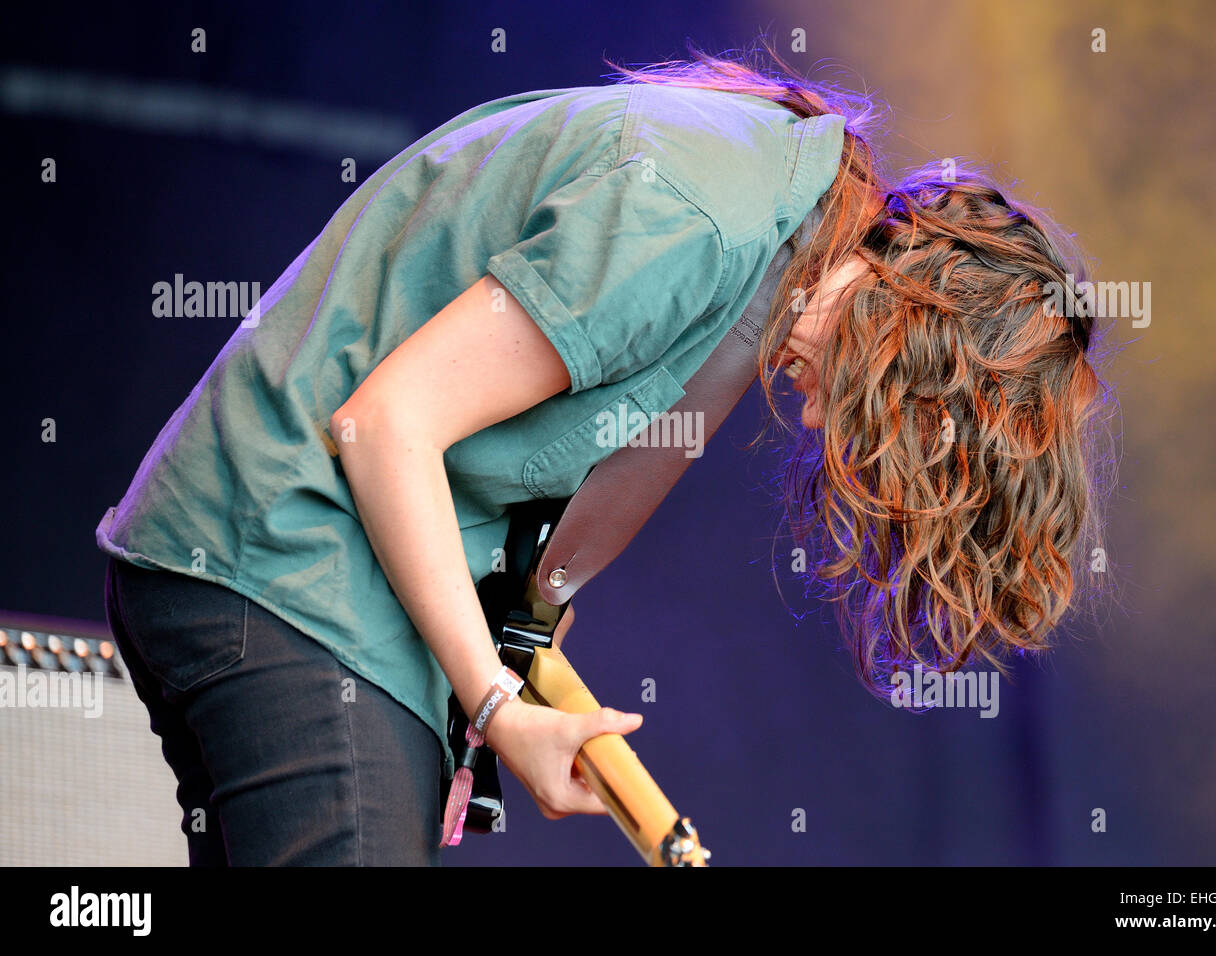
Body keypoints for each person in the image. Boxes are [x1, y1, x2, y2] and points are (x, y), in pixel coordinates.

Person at [96, 42, 1110, 866]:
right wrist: (497, 709)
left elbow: (564, 540)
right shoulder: (702, 215)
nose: (818, 427)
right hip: (284, 569)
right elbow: (386, 422)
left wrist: (490, 683)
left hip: (284, 582)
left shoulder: (777, 234)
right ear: (915, 337)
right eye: (889, 411)